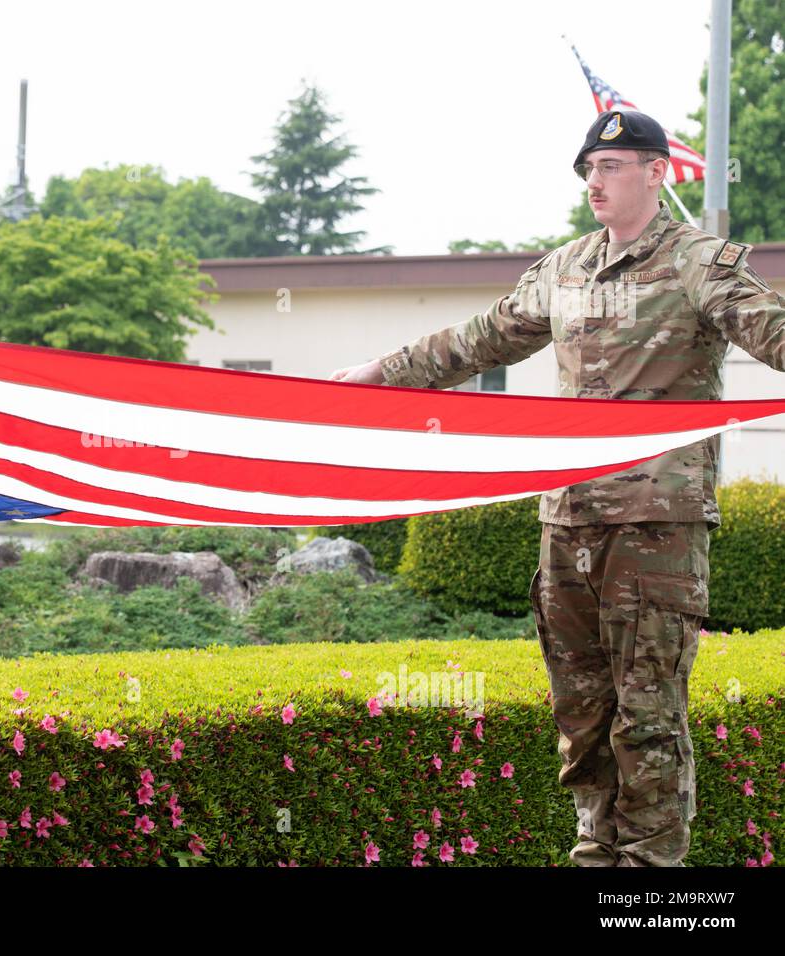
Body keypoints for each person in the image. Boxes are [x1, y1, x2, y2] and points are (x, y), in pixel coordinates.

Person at [331, 109, 785, 866]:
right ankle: (595, 859)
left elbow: (771, 330)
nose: (594, 182)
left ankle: (648, 878)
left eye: (610, 168)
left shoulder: (701, 263)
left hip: (655, 529)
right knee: (580, 714)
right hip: (567, 519)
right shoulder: (564, 268)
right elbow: (482, 337)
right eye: (587, 170)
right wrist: (385, 372)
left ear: (656, 172)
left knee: (646, 714)